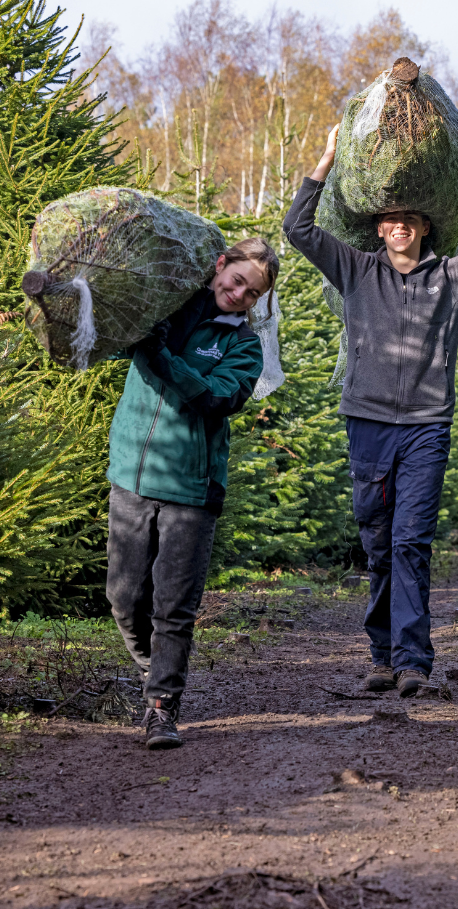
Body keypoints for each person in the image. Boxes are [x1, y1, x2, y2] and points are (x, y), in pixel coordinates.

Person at [282, 125, 458, 697]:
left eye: (410, 219)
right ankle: (380, 656)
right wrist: (326, 157)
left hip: (425, 428)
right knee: (376, 542)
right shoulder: (355, 271)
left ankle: (414, 660)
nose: (399, 226)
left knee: (411, 541)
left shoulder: (452, 276)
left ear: (424, 228)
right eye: (390, 218)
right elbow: (296, 228)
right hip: (367, 424)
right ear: (378, 228)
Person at [105, 238, 280, 750]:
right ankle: (153, 671)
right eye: (237, 279)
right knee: (123, 598)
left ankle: (161, 707)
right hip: (132, 474)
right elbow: (107, 338)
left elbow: (216, 398)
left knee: (173, 608)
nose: (238, 293)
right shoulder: (164, 307)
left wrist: (159, 354)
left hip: (192, 489)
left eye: (251, 294)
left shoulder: (243, 346)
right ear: (220, 265)